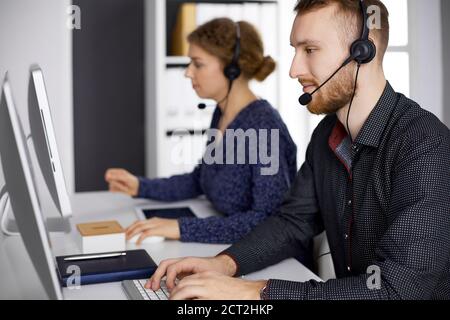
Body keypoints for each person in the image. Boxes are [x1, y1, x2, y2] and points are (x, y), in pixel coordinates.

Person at [145, 0, 450, 300]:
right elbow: (293, 223)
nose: (293, 70)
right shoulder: (326, 137)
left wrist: (256, 292)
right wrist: (224, 264)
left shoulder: (424, 146)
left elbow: (399, 289)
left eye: (310, 50)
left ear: (362, 51)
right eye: (295, 50)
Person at [105, 18, 298, 247]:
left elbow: (269, 221)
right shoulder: (223, 113)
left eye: (198, 64)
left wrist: (180, 227)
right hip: (232, 246)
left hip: (275, 263)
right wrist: (141, 186)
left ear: (232, 69)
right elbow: (201, 179)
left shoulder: (265, 127)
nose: (188, 73)